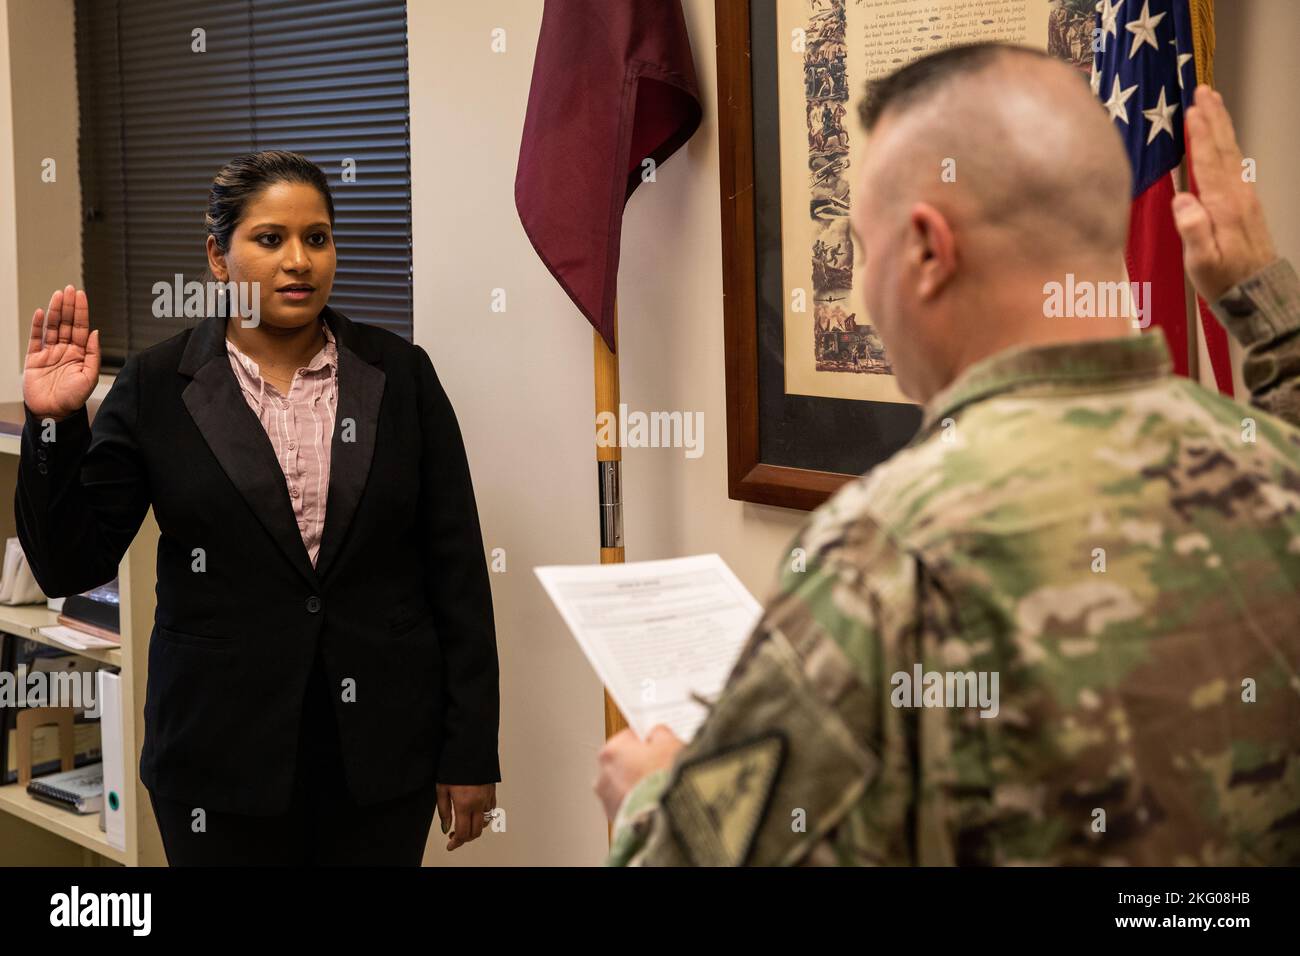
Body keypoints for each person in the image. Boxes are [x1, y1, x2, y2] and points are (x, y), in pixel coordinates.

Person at [596, 44, 1300, 866]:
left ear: (929, 250)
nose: (864, 290)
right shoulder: (1278, 472)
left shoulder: (888, 557)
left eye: (865, 249)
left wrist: (648, 798)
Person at [17, 150, 500, 865]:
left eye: (317, 237)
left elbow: (456, 571)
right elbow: (69, 563)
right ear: (218, 257)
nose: (298, 260)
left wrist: (469, 749)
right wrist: (55, 424)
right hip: (217, 763)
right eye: (270, 239)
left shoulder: (400, 374)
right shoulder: (156, 385)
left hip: (380, 759)